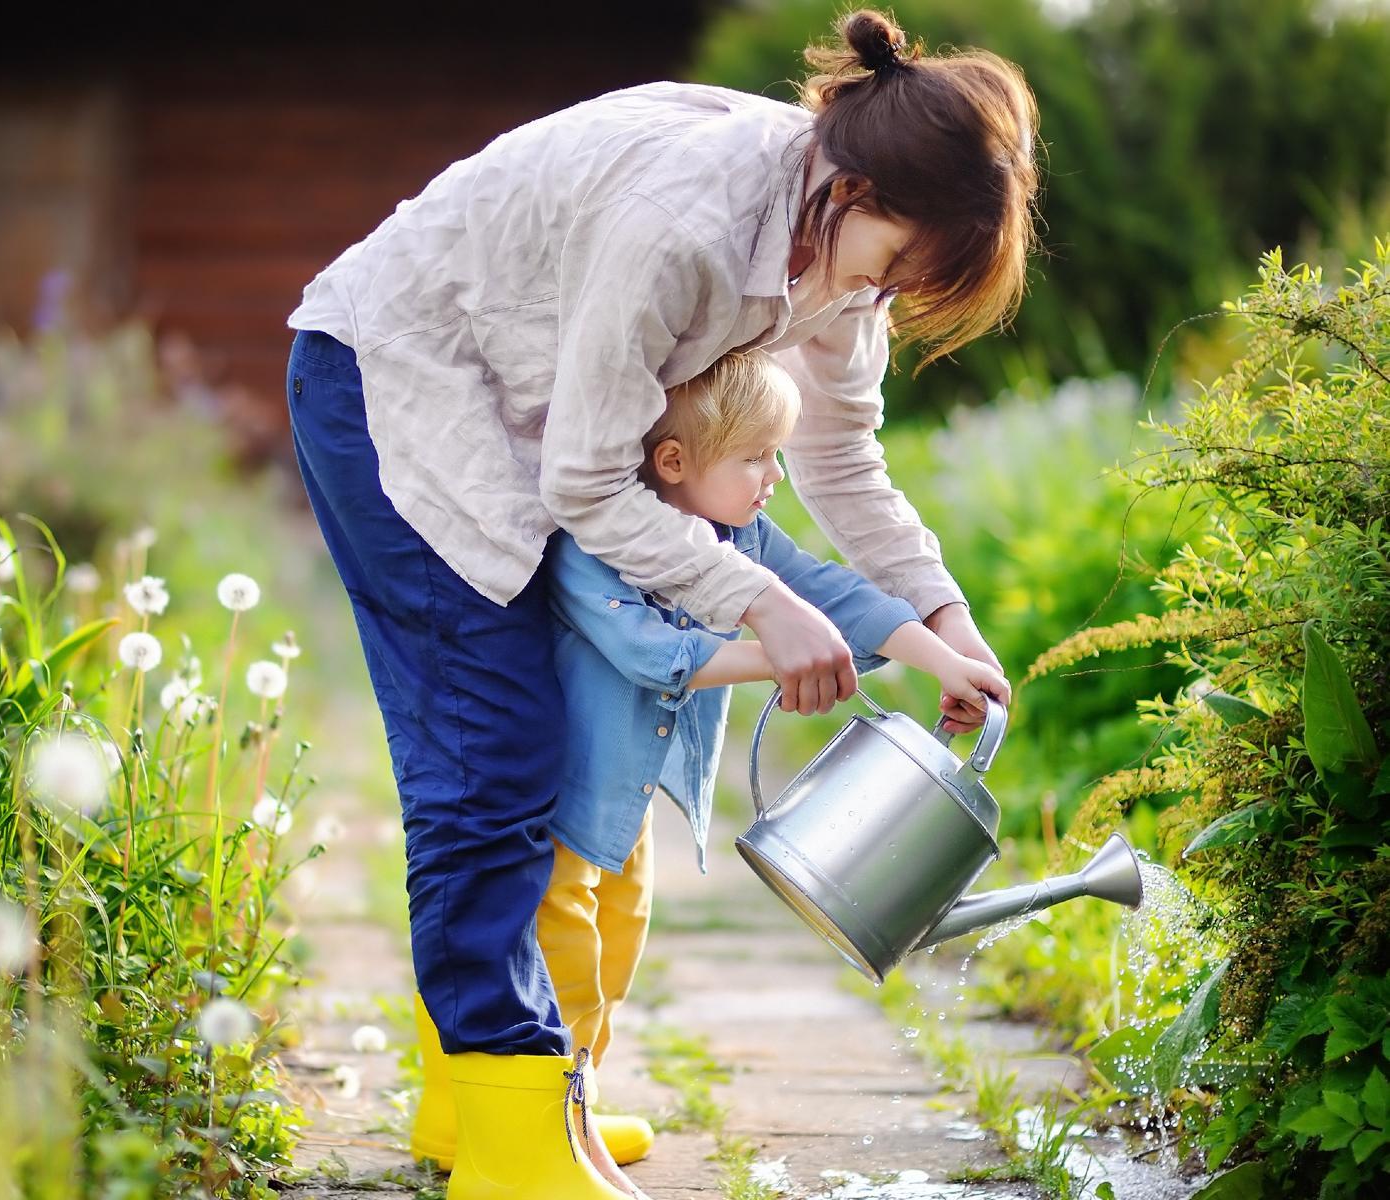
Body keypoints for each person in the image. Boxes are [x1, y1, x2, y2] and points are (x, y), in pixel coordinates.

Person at [284, 9, 1039, 1196]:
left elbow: (843, 467)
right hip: (397, 384)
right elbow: (588, 476)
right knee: (494, 752)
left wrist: (939, 620)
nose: (882, 297)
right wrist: (757, 605)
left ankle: (471, 1108)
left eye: (909, 283)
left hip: (531, 420)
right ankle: (510, 1128)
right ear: (850, 186)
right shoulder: (688, 221)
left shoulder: (840, 258)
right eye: (892, 263)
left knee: (526, 753)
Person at [535, 351, 1009, 1196]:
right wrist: (778, 655)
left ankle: (581, 1090)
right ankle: (551, 1123)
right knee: (563, 946)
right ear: (673, 463)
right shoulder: (592, 543)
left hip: (631, 793)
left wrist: (942, 658)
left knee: (619, 940)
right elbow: (651, 654)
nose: (775, 476)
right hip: (561, 788)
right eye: (755, 456)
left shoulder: (742, 538)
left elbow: (831, 593)